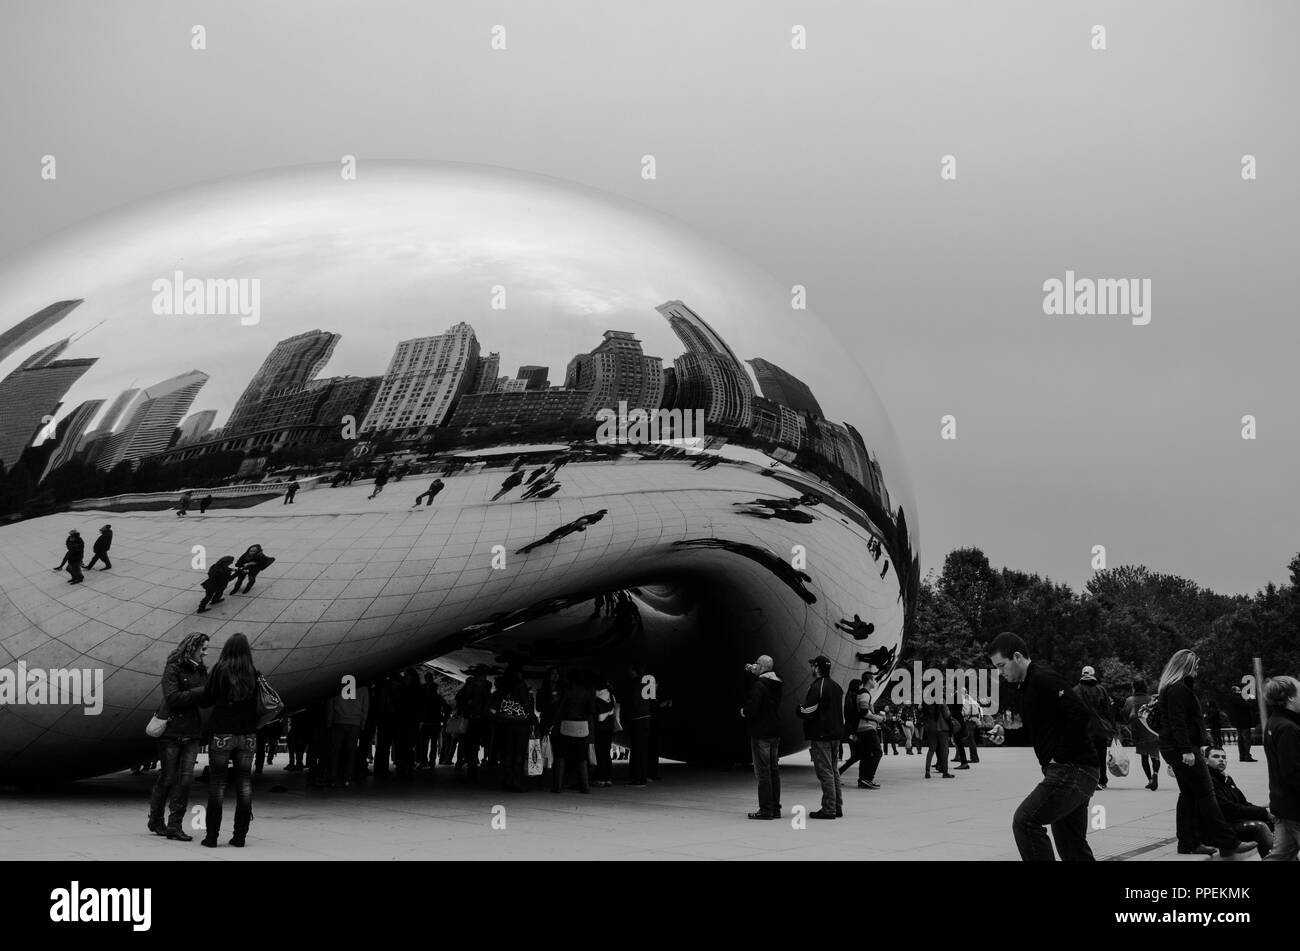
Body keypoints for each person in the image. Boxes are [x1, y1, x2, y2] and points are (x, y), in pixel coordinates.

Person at [988, 632, 1100, 861]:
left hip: (1072, 769)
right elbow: (1033, 732)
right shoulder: (1027, 686)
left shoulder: (1042, 678)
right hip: (1078, 770)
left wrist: (1058, 757)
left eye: (1002, 665)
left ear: (1017, 657)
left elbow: (1079, 714)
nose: (1001, 673)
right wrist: (1006, 736)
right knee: (1071, 844)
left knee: (1025, 821)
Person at [1155, 649, 1255, 857]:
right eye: (1196, 666)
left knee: (1189, 795)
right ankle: (1228, 842)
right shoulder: (1178, 689)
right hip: (1182, 748)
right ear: (1187, 666)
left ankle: (1188, 842)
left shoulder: (1172, 688)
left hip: (1173, 747)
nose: (1198, 670)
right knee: (1206, 795)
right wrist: (1186, 750)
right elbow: (1178, 721)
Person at [199, 633, 261, 847]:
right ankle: (240, 836)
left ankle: (212, 837)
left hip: (222, 732)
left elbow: (206, 700)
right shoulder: (254, 673)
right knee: (244, 783)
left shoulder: (219, 670)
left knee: (217, 784)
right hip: (248, 735)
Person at [147, 632, 209, 841]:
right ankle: (156, 820)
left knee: (185, 780)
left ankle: (175, 825)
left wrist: (211, 692)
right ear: (192, 648)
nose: (206, 652)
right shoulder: (173, 667)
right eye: (203, 648)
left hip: (192, 732)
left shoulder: (202, 670)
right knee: (168, 778)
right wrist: (202, 691)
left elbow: (204, 701)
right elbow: (172, 697)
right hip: (171, 732)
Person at [798, 655, 845, 819]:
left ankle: (829, 808)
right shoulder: (836, 687)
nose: (811, 668)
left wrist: (799, 709)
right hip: (835, 735)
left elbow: (809, 710)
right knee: (833, 771)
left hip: (821, 735)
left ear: (817, 668)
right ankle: (837, 806)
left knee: (825, 772)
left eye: (813, 666)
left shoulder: (818, 686)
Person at [1207, 747, 1274, 859]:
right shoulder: (1209, 781)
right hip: (1219, 829)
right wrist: (1263, 812)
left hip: (1232, 822)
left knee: (1275, 821)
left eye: (1224, 757)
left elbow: (1244, 804)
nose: (1221, 760)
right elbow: (1228, 809)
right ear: (1205, 760)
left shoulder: (1226, 778)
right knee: (1259, 827)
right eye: (1216, 757)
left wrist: (1266, 812)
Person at [741, 654, 783, 819]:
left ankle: (765, 810)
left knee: (763, 772)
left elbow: (753, 707)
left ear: (763, 667)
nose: (754, 665)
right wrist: (752, 670)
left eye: (757, 663)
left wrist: (744, 712)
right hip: (774, 732)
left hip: (761, 733)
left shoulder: (760, 685)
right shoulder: (777, 682)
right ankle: (775, 808)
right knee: (774, 770)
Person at [1263, 675, 1300, 861]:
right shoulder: (1287, 728)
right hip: (1294, 807)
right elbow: (1293, 772)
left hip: (1283, 805)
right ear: (1291, 697)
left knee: (1280, 857)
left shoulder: (1274, 722)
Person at [551, 668, 595, 794]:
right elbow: (591, 711)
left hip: (567, 724)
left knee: (561, 755)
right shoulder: (589, 691)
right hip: (582, 726)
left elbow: (560, 708)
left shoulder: (567, 690)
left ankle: (557, 786)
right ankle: (585, 786)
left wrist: (554, 723)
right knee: (581, 757)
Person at [495, 666, 535, 792]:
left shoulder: (503, 686)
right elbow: (526, 704)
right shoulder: (520, 685)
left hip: (506, 723)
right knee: (518, 754)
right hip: (520, 724)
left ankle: (506, 779)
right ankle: (516, 781)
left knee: (507, 753)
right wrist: (532, 718)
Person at [1074, 666, 1115, 790]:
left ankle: (1088, 779)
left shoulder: (1076, 690)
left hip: (1084, 728)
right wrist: (1111, 727)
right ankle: (1102, 779)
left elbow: (1072, 711)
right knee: (1101, 755)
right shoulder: (1101, 689)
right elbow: (1108, 710)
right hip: (1100, 728)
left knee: (1085, 755)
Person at [326, 679, 370, 787]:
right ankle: (349, 776)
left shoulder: (338, 682)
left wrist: (329, 722)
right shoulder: (363, 686)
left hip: (339, 721)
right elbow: (366, 706)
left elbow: (331, 704)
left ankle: (333, 776)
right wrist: (362, 723)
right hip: (355, 723)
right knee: (351, 751)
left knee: (335, 751)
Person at [843, 673, 884, 788]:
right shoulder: (865, 694)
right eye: (874, 679)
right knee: (877, 752)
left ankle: (863, 780)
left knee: (865, 755)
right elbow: (864, 712)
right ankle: (868, 778)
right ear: (869, 680)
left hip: (862, 729)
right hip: (867, 729)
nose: (875, 682)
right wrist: (877, 718)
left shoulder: (863, 694)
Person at [1123, 680, 1161, 791]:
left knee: (1144, 757)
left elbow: (1125, 715)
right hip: (1152, 731)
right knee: (1155, 756)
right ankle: (1155, 774)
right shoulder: (1152, 699)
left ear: (1134, 688)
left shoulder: (1130, 700)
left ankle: (1149, 780)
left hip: (1139, 733)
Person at [623, 663, 653, 787]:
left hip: (637, 719)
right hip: (646, 717)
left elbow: (634, 701)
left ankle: (639, 778)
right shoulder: (648, 681)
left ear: (634, 671)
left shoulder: (635, 683)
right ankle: (642, 776)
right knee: (643, 750)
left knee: (637, 750)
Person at [593, 678, 618, 787]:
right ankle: (608, 778)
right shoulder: (611, 695)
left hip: (599, 729)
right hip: (609, 728)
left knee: (599, 753)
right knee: (606, 754)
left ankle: (600, 778)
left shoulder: (595, 696)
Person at [922, 700, 955, 779]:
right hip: (942, 728)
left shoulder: (927, 704)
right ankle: (945, 772)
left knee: (931, 750)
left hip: (931, 728)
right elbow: (947, 716)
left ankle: (927, 771)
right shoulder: (941, 703)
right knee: (944, 751)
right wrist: (951, 728)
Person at [1227, 685, 1259, 762]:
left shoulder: (1231, 699)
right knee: (1246, 739)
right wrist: (1249, 699)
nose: (1240, 691)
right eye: (1238, 690)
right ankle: (1247, 756)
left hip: (1237, 722)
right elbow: (1247, 706)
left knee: (1241, 739)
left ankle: (1242, 756)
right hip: (1244, 721)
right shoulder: (1238, 698)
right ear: (1234, 691)